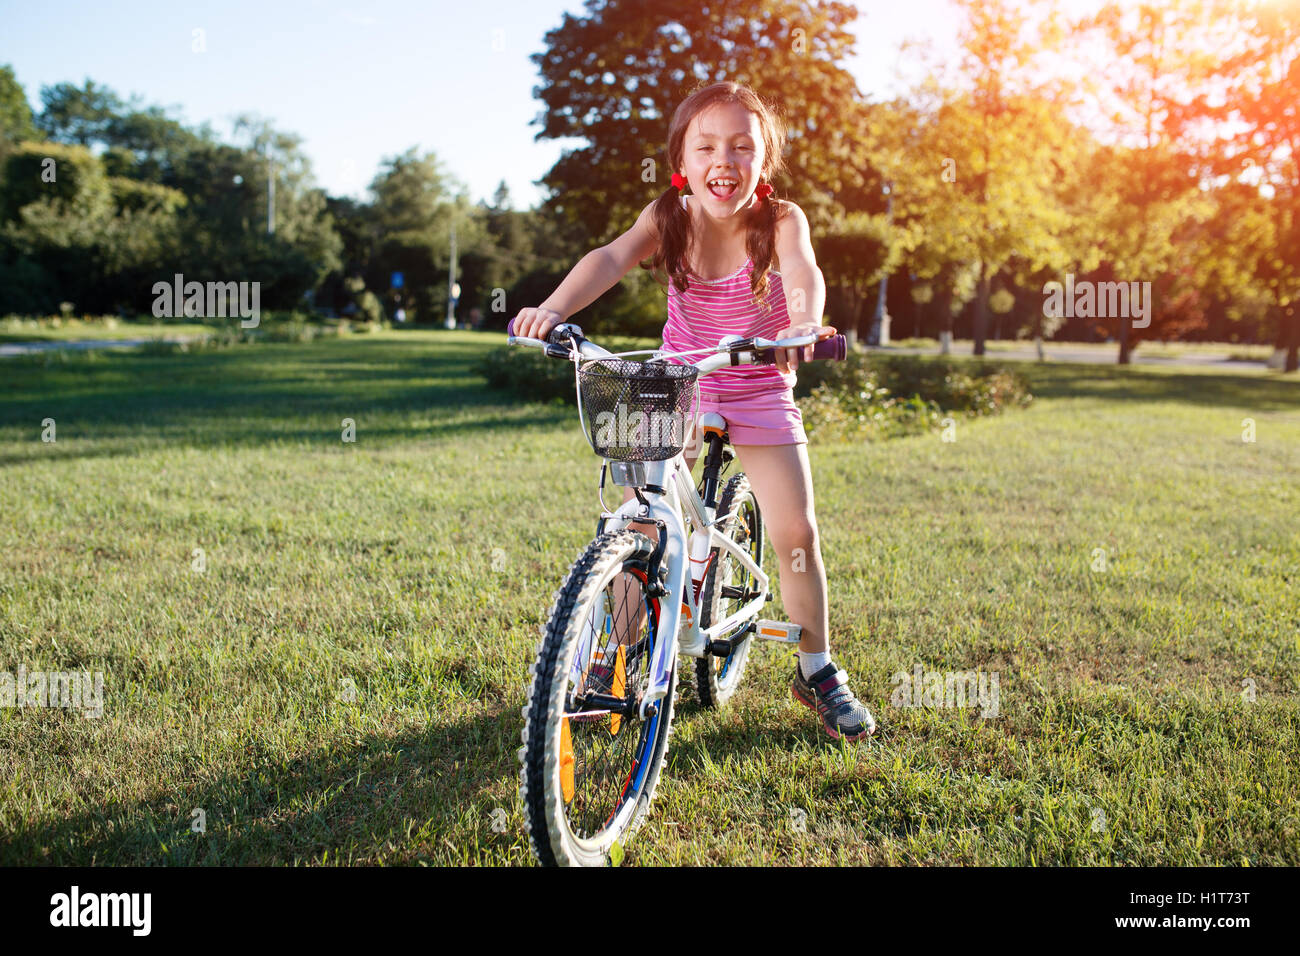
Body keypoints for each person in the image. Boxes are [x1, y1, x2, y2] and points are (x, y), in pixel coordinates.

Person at [512, 81, 876, 741]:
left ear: (765, 161)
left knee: (795, 531)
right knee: (639, 521)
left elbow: (802, 272)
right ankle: (608, 662)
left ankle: (815, 667)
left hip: (759, 381)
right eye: (706, 145)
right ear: (682, 156)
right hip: (682, 380)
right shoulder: (668, 216)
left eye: (743, 147)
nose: (724, 161)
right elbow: (611, 258)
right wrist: (554, 310)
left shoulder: (781, 220)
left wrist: (805, 322)